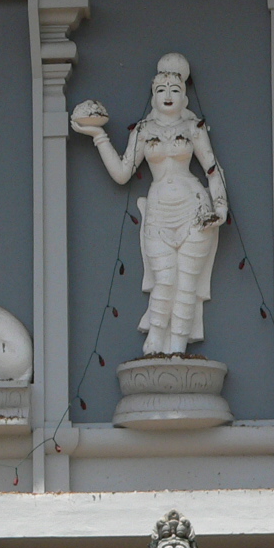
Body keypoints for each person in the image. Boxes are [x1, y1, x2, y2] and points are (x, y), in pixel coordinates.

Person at [72, 53, 228, 356]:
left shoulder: (194, 127)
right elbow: (122, 173)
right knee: (165, 280)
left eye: (174, 90)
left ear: (184, 97)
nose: (168, 96)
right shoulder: (143, 130)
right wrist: (98, 135)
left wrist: (220, 207)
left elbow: (212, 169)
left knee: (186, 285)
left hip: (195, 210)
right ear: (152, 95)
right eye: (161, 90)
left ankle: (177, 347)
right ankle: (155, 342)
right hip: (159, 213)